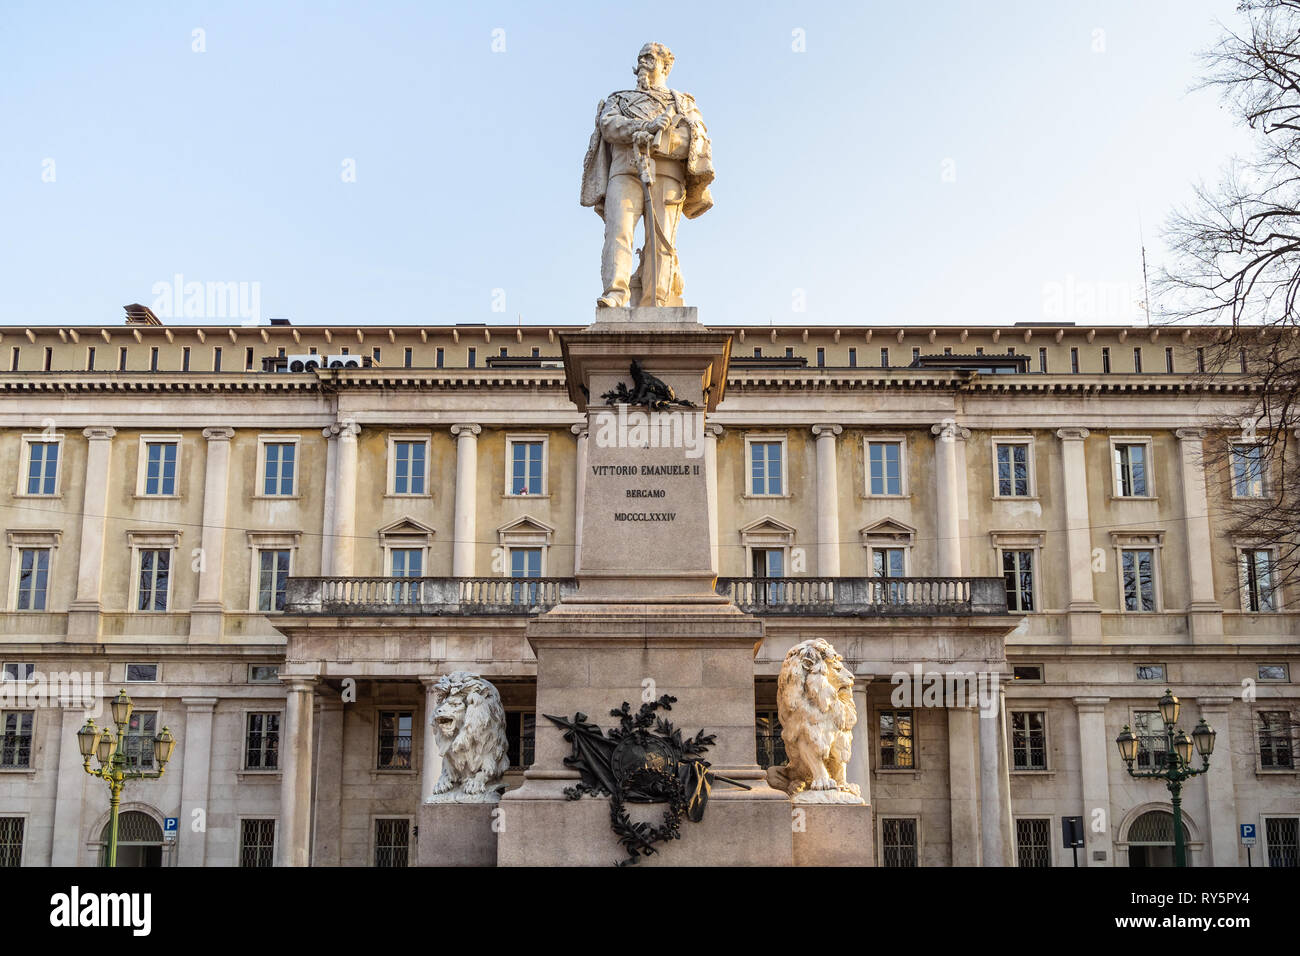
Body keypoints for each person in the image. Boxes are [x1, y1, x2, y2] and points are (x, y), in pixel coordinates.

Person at [580, 42, 715, 308]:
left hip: (667, 174)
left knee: (661, 238)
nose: (644, 60)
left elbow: (695, 140)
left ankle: (656, 301)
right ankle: (616, 293)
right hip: (624, 170)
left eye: (651, 56)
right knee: (618, 231)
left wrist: (659, 142)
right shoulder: (618, 99)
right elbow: (608, 125)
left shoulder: (683, 104)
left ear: (667, 64)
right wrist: (645, 127)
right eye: (641, 56)